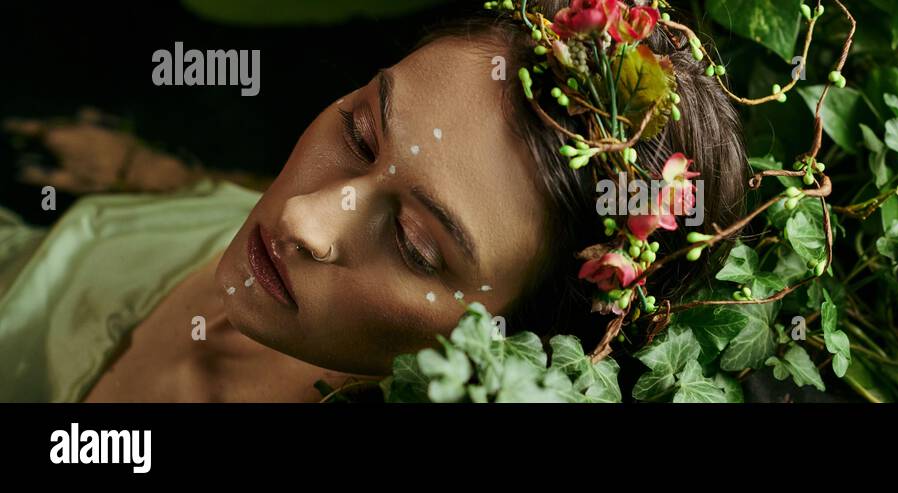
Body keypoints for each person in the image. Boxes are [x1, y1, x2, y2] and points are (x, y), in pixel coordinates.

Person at [0, 1, 748, 402]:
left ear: (508, 347)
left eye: (418, 244)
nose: (298, 216)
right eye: (360, 130)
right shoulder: (271, 237)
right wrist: (145, 169)